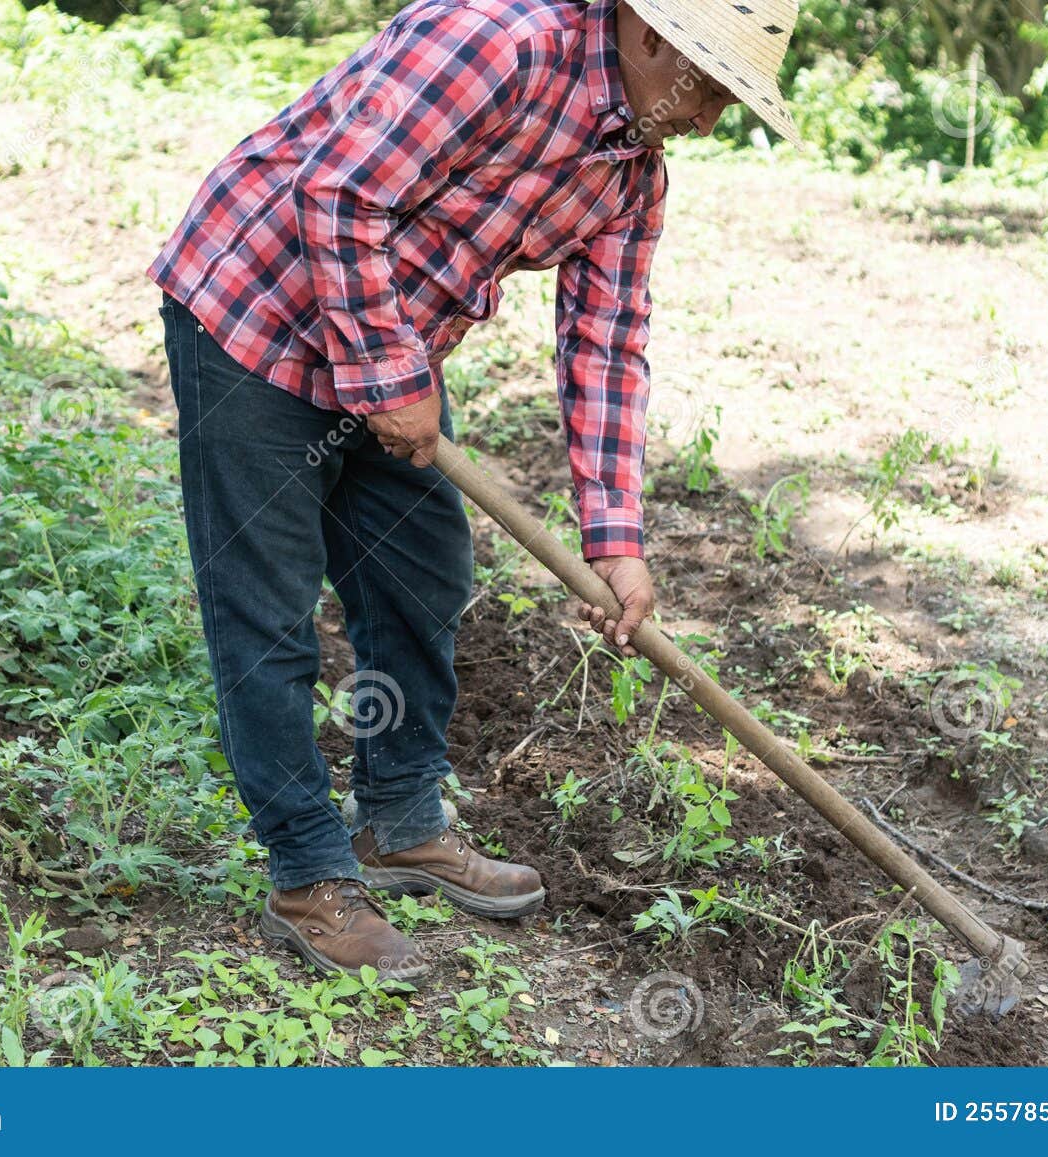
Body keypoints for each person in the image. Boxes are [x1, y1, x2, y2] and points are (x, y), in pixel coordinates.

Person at [149, 0, 800, 980]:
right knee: (268, 613)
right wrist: (387, 374)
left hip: (388, 350)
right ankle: (309, 877)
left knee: (422, 573)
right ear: (655, 37)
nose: (710, 119)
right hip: (256, 316)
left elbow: (606, 346)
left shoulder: (631, 175)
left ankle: (401, 822)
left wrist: (614, 540)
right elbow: (336, 194)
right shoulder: (496, 45)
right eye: (711, 87)